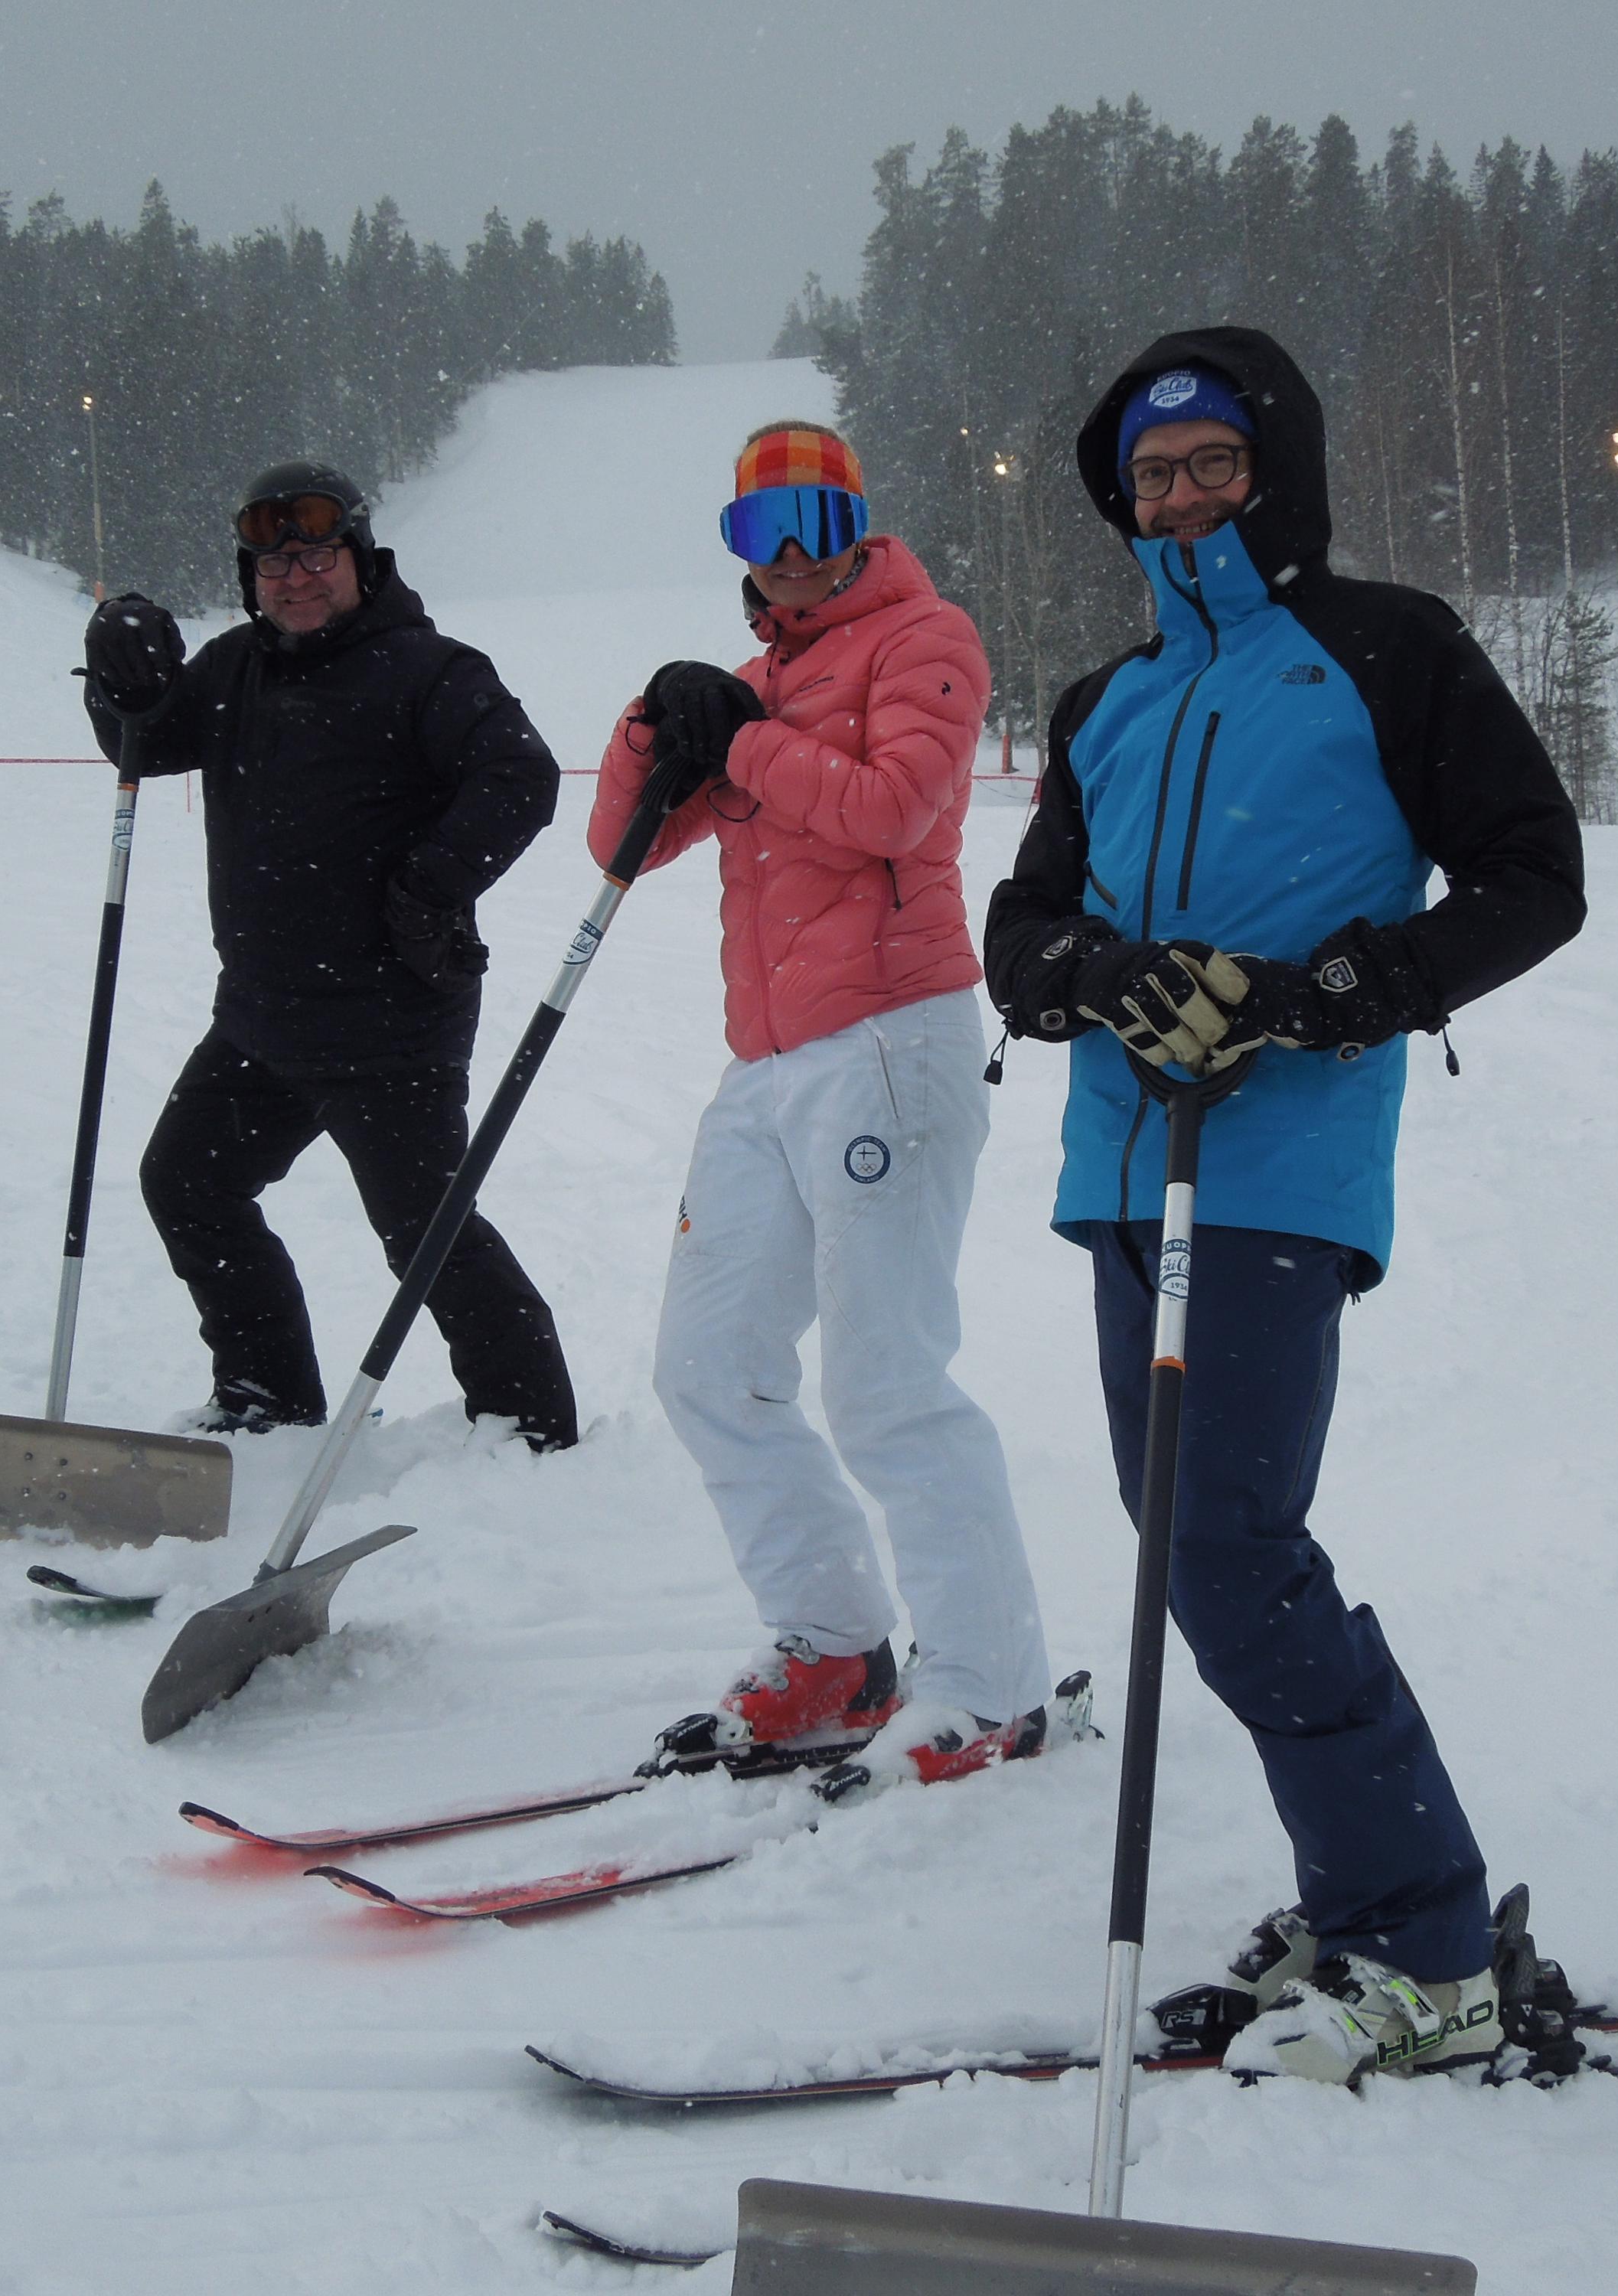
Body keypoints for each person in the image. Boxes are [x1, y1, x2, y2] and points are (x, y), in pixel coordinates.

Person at [984, 330, 1585, 2081]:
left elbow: (1532, 875)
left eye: (1208, 465)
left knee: (1228, 1548)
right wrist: (1096, 974)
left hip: (1273, 1168)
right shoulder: (1107, 697)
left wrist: (1314, 995)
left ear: (1275, 470)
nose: (1176, 496)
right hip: (1121, 1166)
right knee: (1191, 1541)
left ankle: (1421, 1943)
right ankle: (1370, 1898)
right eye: (1150, 475)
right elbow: (1013, 931)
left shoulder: (1383, 650)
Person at [591, 421, 1052, 1787]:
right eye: (758, 533)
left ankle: (990, 1684)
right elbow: (625, 842)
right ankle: (835, 1650)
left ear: (859, 522)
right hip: (767, 1066)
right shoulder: (753, 690)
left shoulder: (930, 639)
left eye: (814, 523)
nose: (790, 558)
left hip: (891, 1045)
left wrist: (745, 748)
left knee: (887, 1382)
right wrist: (650, 726)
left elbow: (896, 809)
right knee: (707, 1362)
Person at [81, 461, 579, 1453]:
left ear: (359, 557)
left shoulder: (430, 670)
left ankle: (531, 1421)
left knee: (424, 1230)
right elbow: (145, 739)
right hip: (263, 1020)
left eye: (314, 555)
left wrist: (431, 885)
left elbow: (520, 775)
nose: (295, 578)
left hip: (391, 1026)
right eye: (272, 565)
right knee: (187, 1182)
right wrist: (118, 677)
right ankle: (268, 1392)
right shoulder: (235, 672)